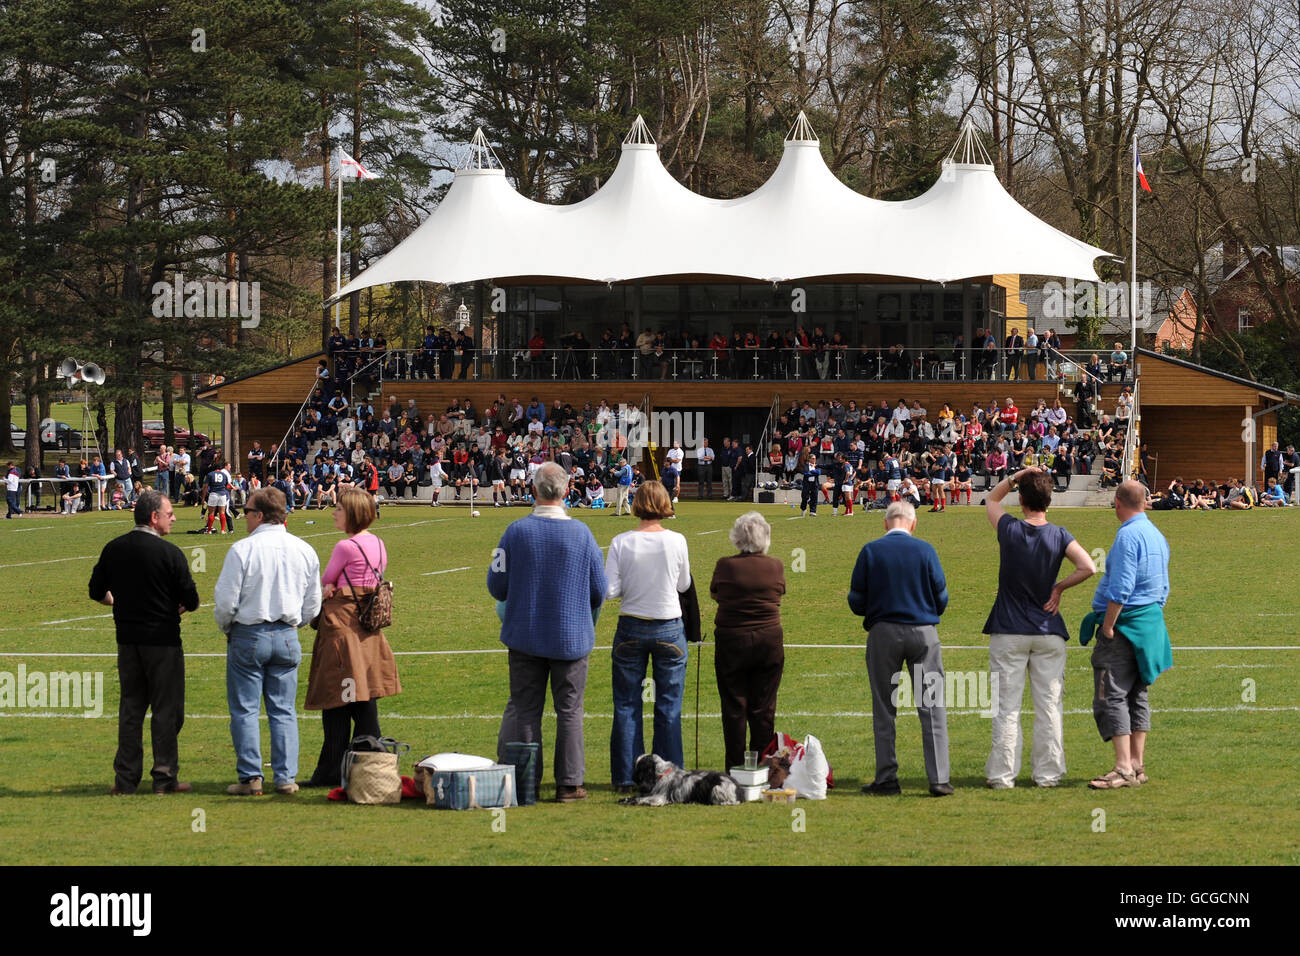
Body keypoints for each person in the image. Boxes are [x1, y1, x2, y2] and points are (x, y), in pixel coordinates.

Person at [487, 462, 606, 801]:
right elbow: (600, 589)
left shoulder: (514, 531)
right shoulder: (583, 534)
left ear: (533, 491)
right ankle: (569, 784)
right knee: (570, 710)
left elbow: (496, 585)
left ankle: (524, 782)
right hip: (570, 637)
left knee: (524, 708)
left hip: (525, 634)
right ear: (567, 492)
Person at [982, 468, 1096, 789]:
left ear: (1021, 499)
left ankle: (1002, 776)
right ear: (1049, 500)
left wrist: (1017, 475)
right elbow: (1088, 566)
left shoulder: (1009, 529)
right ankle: (1047, 774)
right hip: (1048, 631)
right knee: (1048, 706)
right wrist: (1059, 588)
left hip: (1008, 630)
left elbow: (991, 498)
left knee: (1006, 707)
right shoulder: (1059, 535)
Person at [88, 490, 200, 794]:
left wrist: (118, 603)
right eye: (169, 514)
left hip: (127, 641)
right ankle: (164, 778)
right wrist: (178, 605)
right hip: (163, 642)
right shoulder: (170, 553)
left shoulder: (114, 548)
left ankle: (125, 781)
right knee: (167, 710)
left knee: (131, 711)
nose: (174, 518)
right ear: (154, 517)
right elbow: (191, 598)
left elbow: (96, 590)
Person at [214, 488, 322, 796]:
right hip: (286, 634)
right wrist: (295, 623)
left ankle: (251, 777)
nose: (244, 516)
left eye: (247, 511)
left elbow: (225, 601)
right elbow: (313, 602)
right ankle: (286, 777)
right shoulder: (304, 549)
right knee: (283, 709)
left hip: (249, 632)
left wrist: (228, 628)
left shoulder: (243, 550)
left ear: (260, 515)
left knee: (245, 709)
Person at [847, 500, 953, 796]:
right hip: (924, 632)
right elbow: (941, 596)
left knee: (884, 707)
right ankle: (939, 779)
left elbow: (855, 600)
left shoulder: (870, 551)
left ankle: (887, 777)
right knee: (932, 705)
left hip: (883, 632)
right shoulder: (925, 550)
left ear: (885, 523)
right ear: (913, 523)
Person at [301, 488, 401, 787]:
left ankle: (338, 767)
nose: (334, 512)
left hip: (342, 625)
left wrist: (330, 587)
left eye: (339, 509)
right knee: (362, 693)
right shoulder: (379, 543)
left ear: (353, 514)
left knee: (338, 695)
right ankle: (369, 762)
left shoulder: (346, 546)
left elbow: (327, 581)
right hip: (367, 626)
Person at [1084, 480, 1172, 789]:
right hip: (1150, 623)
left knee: (1111, 691)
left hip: (1125, 625)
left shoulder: (1127, 536)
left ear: (1118, 503)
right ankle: (1137, 764)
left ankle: (1122, 768)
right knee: (1137, 692)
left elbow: (1121, 586)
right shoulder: (1157, 535)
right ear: (1145, 503)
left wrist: (1108, 625)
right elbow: (1163, 587)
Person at [604, 480, 691, 789]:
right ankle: (669, 777)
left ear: (636, 505)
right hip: (668, 625)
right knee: (669, 706)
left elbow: (610, 589)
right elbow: (683, 585)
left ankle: (627, 777)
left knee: (627, 705)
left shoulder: (621, 541)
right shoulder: (677, 540)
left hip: (631, 625)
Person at [710, 512, 786, 771]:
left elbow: (715, 593)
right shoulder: (775, 565)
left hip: (732, 639)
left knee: (733, 705)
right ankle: (763, 767)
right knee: (764, 706)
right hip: (768, 639)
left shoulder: (725, 565)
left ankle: (734, 767)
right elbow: (780, 592)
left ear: (737, 538)